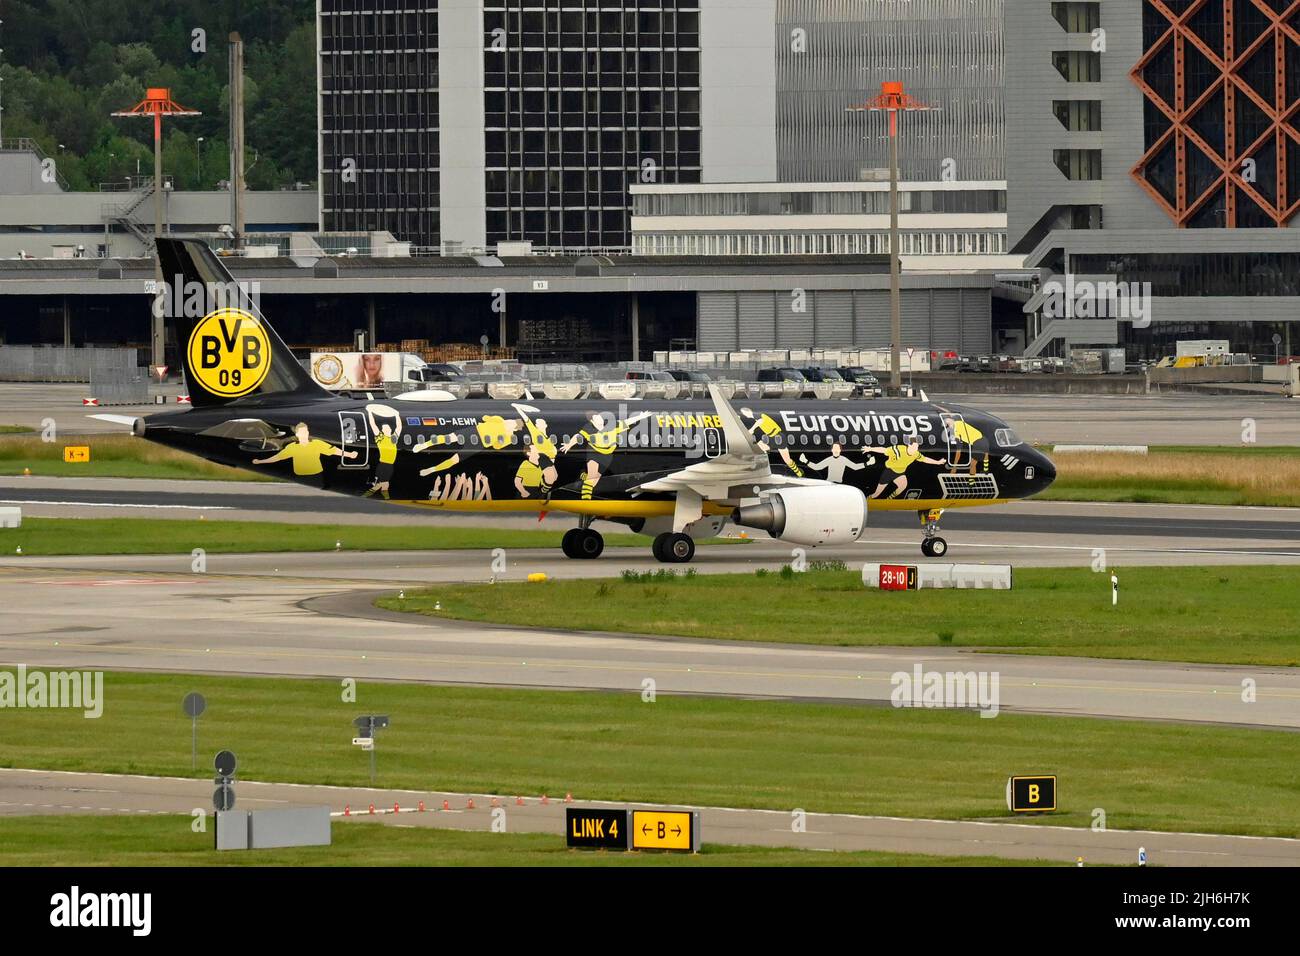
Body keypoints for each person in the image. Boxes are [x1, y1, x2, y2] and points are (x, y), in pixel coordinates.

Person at [559, 410, 652, 500]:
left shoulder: (612, 425)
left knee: (594, 481)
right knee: (591, 479)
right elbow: (578, 437)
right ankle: (586, 500)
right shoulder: (589, 428)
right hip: (594, 453)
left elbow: (627, 422)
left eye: (600, 417)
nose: (600, 419)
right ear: (593, 421)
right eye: (597, 418)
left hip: (607, 456)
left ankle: (583, 476)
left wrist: (641, 416)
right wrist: (569, 444)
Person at [253, 422, 356, 478]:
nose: (305, 434)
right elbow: (277, 458)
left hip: (317, 476)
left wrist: (350, 455)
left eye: (306, 432)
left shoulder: (317, 444)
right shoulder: (292, 447)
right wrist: (261, 461)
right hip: (301, 478)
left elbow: (334, 451)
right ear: (297, 434)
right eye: (302, 432)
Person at [863, 434, 945, 499]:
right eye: (914, 447)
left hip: (900, 472)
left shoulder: (915, 454)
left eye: (917, 447)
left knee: (903, 485)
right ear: (909, 445)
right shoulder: (899, 450)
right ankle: (868, 499)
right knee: (876, 494)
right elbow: (884, 450)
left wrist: (938, 462)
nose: (916, 449)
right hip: (889, 471)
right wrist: (870, 449)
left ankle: (890, 498)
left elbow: (925, 459)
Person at [740, 406, 804, 477]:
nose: (745, 415)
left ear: (748, 411)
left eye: (744, 413)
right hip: (771, 438)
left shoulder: (757, 415)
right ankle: (761, 467)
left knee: (787, 460)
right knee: (758, 447)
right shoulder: (755, 418)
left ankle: (798, 472)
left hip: (778, 438)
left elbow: (760, 421)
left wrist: (752, 429)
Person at [362, 403, 401, 499]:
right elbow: (373, 425)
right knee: (383, 483)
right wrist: (370, 412)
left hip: (390, 465)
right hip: (383, 464)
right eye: (385, 428)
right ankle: (380, 495)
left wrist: (397, 415)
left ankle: (375, 494)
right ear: (383, 430)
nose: (387, 428)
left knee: (384, 483)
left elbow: (399, 427)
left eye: (388, 427)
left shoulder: (393, 438)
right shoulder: (380, 437)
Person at [799, 443, 866, 484]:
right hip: (829, 484)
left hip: (839, 484)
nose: (836, 450)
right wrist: (805, 461)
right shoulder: (830, 459)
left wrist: (867, 463)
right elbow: (817, 467)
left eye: (837, 448)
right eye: (834, 448)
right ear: (832, 450)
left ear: (840, 450)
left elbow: (855, 466)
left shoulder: (843, 459)